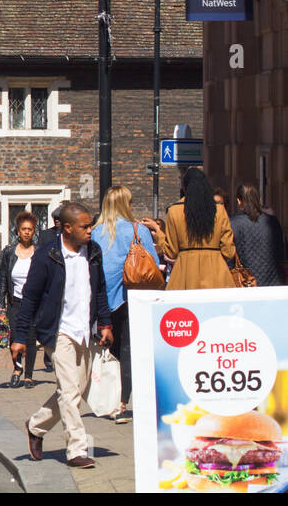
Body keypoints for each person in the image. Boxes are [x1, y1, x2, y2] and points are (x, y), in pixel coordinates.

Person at [13, 201, 114, 470]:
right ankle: (77, 450)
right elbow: (30, 298)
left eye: (90, 225)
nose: (90, 230)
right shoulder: (47, 256)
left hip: (85, 331)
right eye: (85, 226)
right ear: (67, 228)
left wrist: (105, 323)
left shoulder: (93, 252)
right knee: (70, 392)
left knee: (73, 392)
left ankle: (35, 426)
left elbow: (100, 290)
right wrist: (20, 336)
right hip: (59, 333)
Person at [91, 185, 161, 423]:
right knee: (128, 350)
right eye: (129, 202)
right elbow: (153, 261)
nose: (132, 207)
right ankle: (122, 402)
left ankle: (108, 400)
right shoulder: (137, 228)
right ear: (123, 205)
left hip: (102, 299)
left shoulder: (95, 232)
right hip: (130, 296)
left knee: (109, 350)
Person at [141, 167, 238, 290]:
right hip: (216, 274)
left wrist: (159, 234)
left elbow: (171, 252)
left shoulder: (174, 211)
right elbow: (229, 252)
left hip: (185, 274)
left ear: (185, 188)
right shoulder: (219, 210)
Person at [0, 211, 44, 388]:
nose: (27, 232)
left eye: (30, 229)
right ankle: (17, 368)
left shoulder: (39, 252)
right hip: (15, 302)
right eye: (24, 229)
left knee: (30, 338)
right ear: (18, 231)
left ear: (34, 231)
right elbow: (5, 279)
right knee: (14, 338)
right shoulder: (9, 253)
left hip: (34, 302)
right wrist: (0, 304)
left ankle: (28, 375)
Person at [230, 184, 286, 287]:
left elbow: (229, 255)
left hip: (247, 281)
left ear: (239, 201)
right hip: (274, 280)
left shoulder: (233, 223)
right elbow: (281, 251)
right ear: (259, 200)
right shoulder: (272, 221)